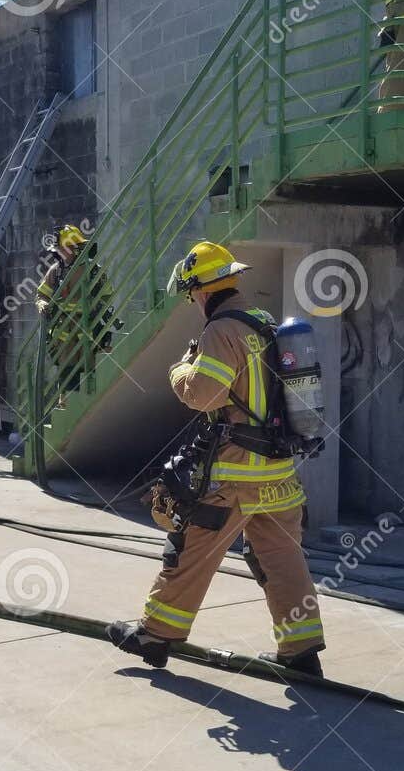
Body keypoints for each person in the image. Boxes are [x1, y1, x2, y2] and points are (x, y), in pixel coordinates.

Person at [107, 242, 326, 677]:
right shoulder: (265, 324)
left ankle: (156, 635)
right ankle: (301, 653)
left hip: (235, 475)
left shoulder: (221, 332)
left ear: (201, 291)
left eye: (191, 294)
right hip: (280, 473)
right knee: (283, 560)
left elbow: (203, 394)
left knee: (191, 550)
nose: (193, 301)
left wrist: (179, 369)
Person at [36, 224, 115, 395]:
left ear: (75, 247)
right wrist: (42, 304)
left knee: (95, 377)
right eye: (59, 249)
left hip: (90, 331)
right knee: (67, 377)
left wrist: (94, 303)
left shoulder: (94, 271)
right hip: (65, 336)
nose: (60, 253)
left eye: (63, 249)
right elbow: (41, 294)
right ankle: (66, 404)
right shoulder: (56, 272)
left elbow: (107, 296)